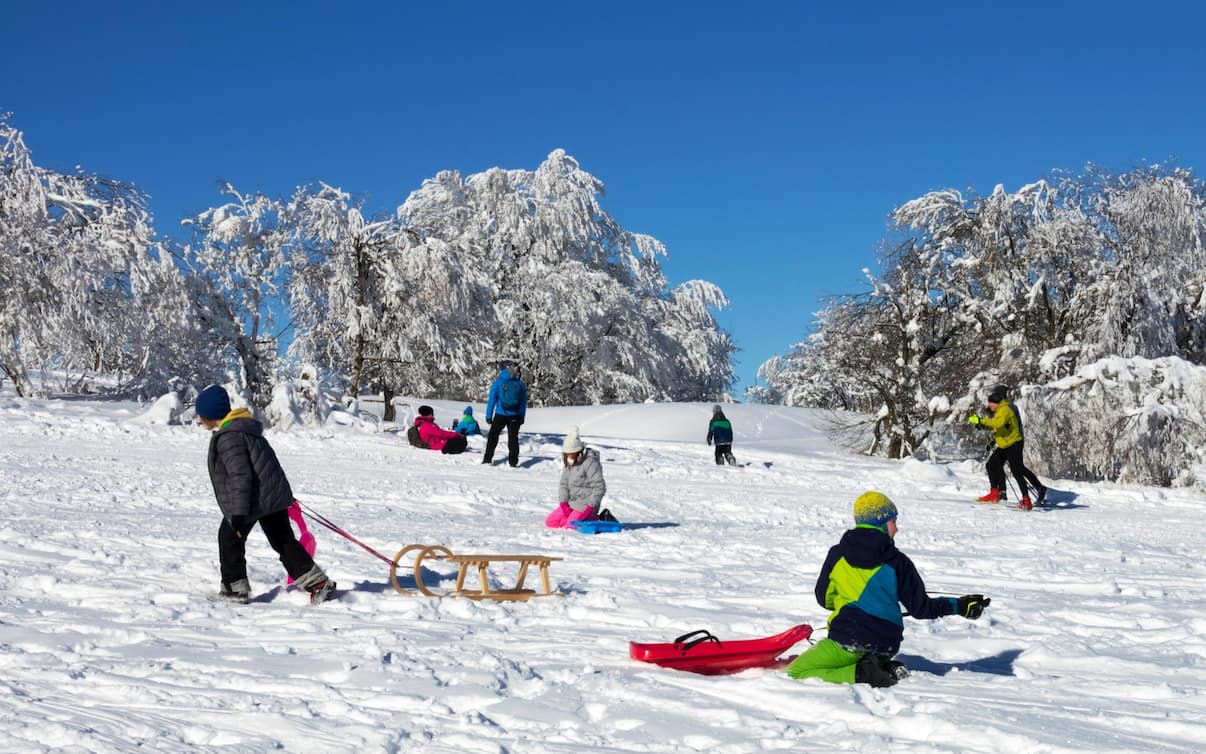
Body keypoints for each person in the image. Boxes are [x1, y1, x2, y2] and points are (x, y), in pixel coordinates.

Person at [786, 492, 990, 687]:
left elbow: (823, 599)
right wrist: (960, 605)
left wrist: (845, 601)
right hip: (887, 645)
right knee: (866, 652)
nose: (896, 529)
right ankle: (885, 666)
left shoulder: (837, 554)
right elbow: (921, 608)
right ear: (880, 523)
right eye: (893, 522)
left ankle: (862, 674)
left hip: (848, 641)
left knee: (796, 671)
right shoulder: (898, 561)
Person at [195, 384, 336, 605]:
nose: (199, 419)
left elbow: (240, 476)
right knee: (284, 542)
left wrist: (238, 515)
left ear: (210, 414)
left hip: (253, 500)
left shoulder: (230, 437)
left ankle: (235, 589)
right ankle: (318, 583)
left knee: (229, 537)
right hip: (270, 497)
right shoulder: (244, 429)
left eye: (201, 414)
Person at [968, 385, 1047, 510]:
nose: (989, 406)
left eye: (991, 402)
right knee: (992, 465)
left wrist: (981, 421)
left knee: (1017, 471)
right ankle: (996, 493)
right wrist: (993, 438)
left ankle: (1026, 499)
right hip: (1005, 443)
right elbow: (1001, 427)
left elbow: (999, 423)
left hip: (1014, 443)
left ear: (998, 399)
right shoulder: (1000, 410)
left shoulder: (1007, 409)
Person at [545, 426, 608, 528]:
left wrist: (590, 508)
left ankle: (594, 518)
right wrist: (564, 503)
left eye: (571, 454)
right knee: (551, 522)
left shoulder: (590, 462)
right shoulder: (569, 463)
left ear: (578, 452)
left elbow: (599, 487)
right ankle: (574, 519)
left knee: (570, 525)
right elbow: (563, 484)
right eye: (567, 454)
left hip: (586, 505)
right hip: (572, 503)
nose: (569, 456)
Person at [482, 364, 527, 467]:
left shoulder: (498, 383)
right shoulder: (520, 384)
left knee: (493, 436)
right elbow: (523, 403)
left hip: (500, 414)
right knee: (513, 439)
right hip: (515, 415)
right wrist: (522, 417)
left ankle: (487, 459)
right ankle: (513, 462)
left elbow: (492, 400)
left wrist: (489, 416)